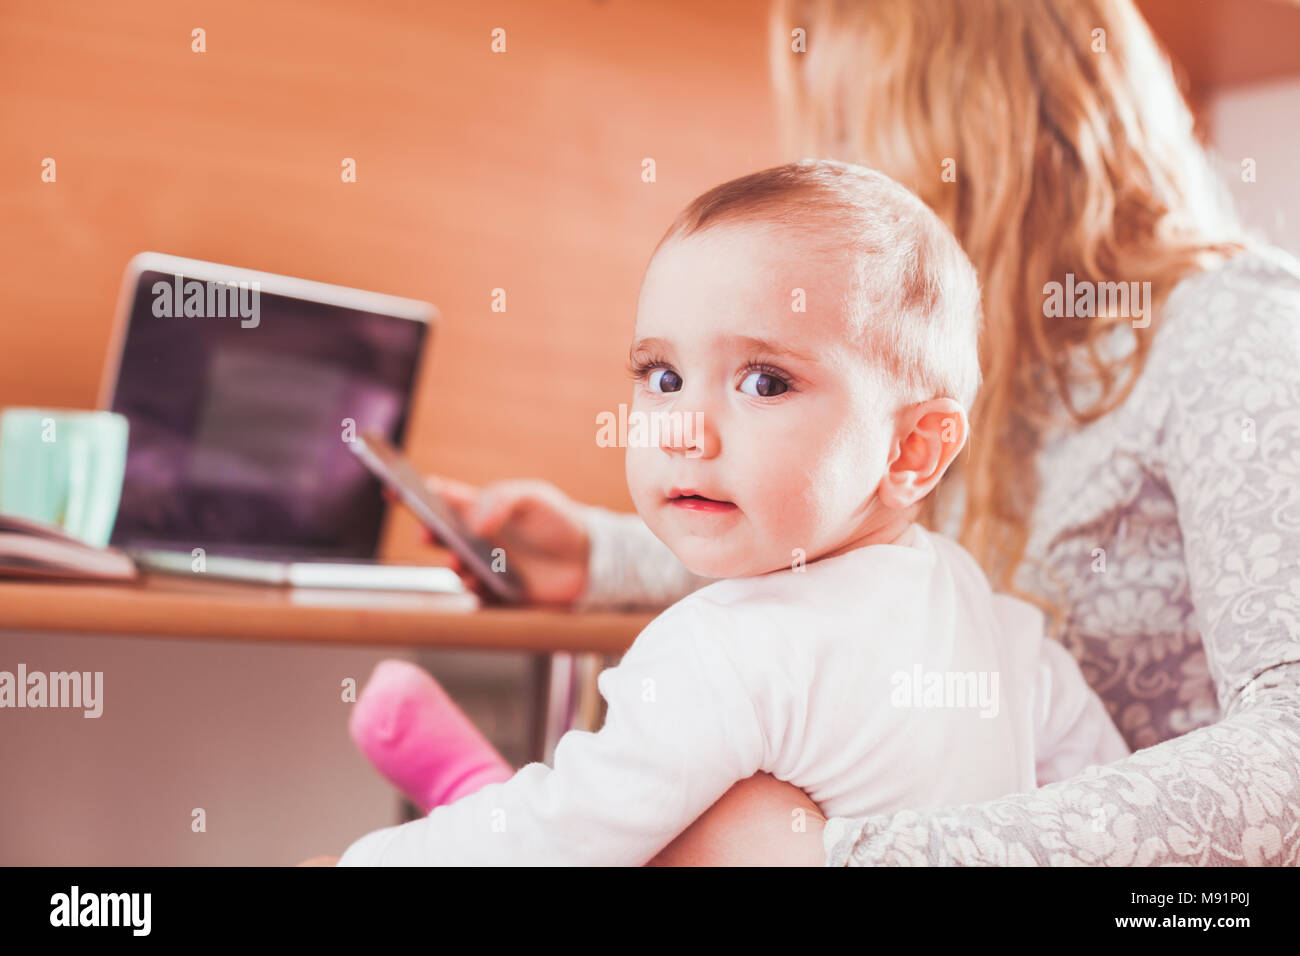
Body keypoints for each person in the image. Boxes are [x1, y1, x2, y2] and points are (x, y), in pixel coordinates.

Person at [306, 0, 1300, 866]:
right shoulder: (977, 570)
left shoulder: (1237, 332)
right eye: (660, 376)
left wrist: (829, 853)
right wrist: (601, 552)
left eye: (842, 128)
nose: (834, 174)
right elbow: (830, 552)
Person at [334, 160, 1129, 865]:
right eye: (663, 376)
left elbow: (562, 839)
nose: (685, 429)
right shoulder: (1001, 629)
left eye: (765, 383)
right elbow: (1118, 811)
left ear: (912, 450)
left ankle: (475, 794)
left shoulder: (719, 650)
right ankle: (477, 791)